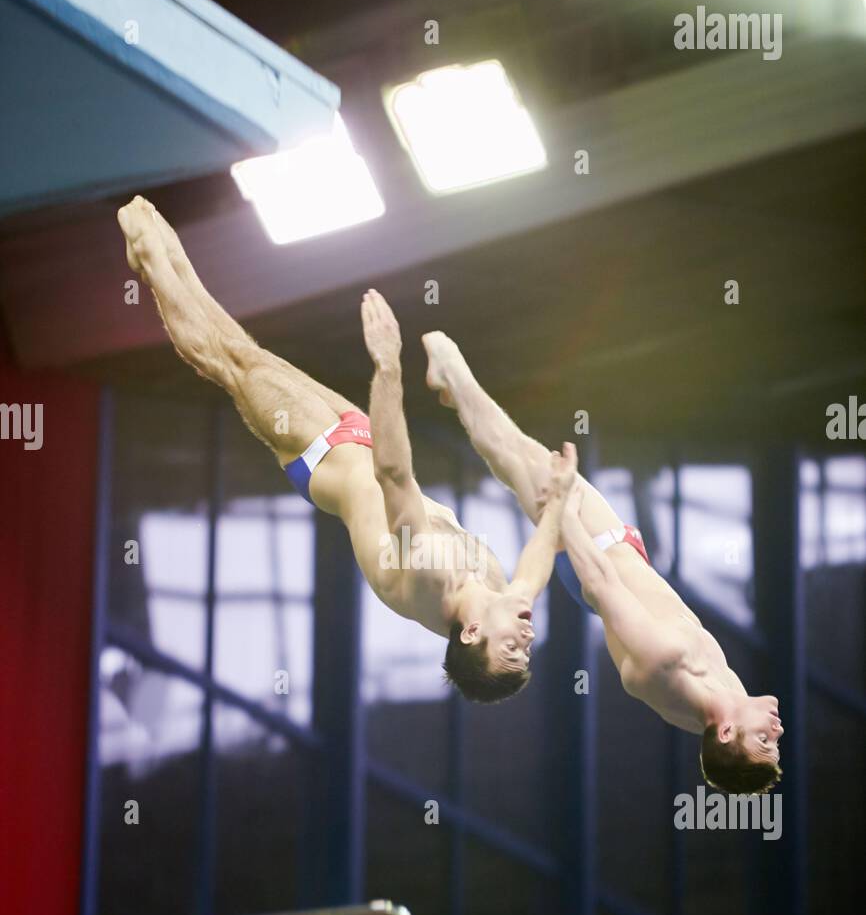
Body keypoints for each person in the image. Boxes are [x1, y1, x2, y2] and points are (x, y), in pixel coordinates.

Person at [116, 196, 570, 702]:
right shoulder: (501, 589)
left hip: (322, 457)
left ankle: (151, 260)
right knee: (246, 351)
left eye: (511, 651)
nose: (526, 641)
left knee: (231, 363)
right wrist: (559, 501)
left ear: (470, 634)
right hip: (359, 436)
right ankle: (159, 246)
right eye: (525, 653)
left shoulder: (428, 582)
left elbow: (395, 476)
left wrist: (388, 367)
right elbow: (538, 562)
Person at [423, 331, 783, 792]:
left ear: (728, 731)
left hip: (595, 556)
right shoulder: (718, 704)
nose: (777, 730)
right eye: (775, 742)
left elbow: (600, 585)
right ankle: (458, 394)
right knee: (518, 460)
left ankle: (448, 364)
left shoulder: (664, 664)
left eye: (766, 741)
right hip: (619, 556)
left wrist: (563, 507)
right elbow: (723, 759)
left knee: (520, 453)